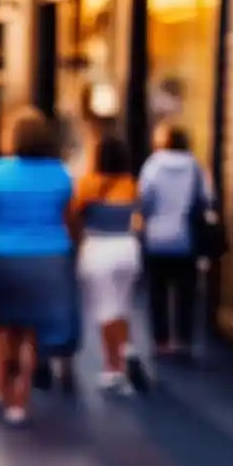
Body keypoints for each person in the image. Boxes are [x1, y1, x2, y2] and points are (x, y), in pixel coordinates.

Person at [0, 107, 76, 424]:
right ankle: (19, 402)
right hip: (49, 257)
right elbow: (70, 219)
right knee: (31, 331)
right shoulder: (60, 173)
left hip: (4, 255)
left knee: (1, 327)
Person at [73, 135, 143, 394]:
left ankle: (114, 367)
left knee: (105, 309)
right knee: (122, 306)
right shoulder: (131, 184)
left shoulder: (88, 184)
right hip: (127, 247)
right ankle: (128, 349)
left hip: (99, 247)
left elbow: (74, 213)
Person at [139, 123, 213, 359]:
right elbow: (207, 199)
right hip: (186, 238)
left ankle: (161, 340)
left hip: (157, 237)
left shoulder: (153, 165)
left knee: (157, 291)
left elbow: (144, 199)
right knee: (186, 291)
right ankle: (183, 339)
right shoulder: (195, 167)